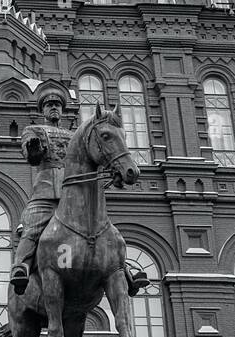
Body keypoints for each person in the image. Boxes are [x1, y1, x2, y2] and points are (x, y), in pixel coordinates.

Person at [9, 89, 147, 297]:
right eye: (49, 105)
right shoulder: (33, 130)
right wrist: (34, 147)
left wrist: (114, 170)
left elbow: (96, 157)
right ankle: (21, 268)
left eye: (57, 105)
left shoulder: (76, 135)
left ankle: (123, 269)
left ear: (63, 110)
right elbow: (32, 158)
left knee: (103, 230)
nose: (54, 107)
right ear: (43, 110)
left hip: (77, 196)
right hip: (47, 193)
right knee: (32, 227)